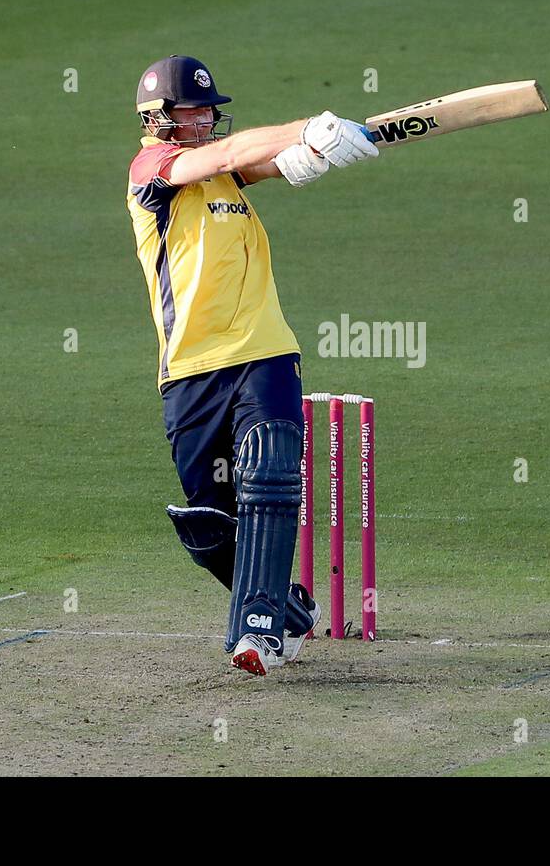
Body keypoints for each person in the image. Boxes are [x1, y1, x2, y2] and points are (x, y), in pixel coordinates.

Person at [125, 55, 378, 675]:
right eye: (193, 111)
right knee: (210, 527)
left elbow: (253, 162)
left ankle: (256, 629)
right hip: (189, 370)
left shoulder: (227, 179)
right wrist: (307, 127)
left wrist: (309, 154)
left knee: (269, 472)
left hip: (264, 352)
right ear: (158, 118)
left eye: (209, 111)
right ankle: (291, 611)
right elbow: (231, 154)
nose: (206, 120)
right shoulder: (152, 171)